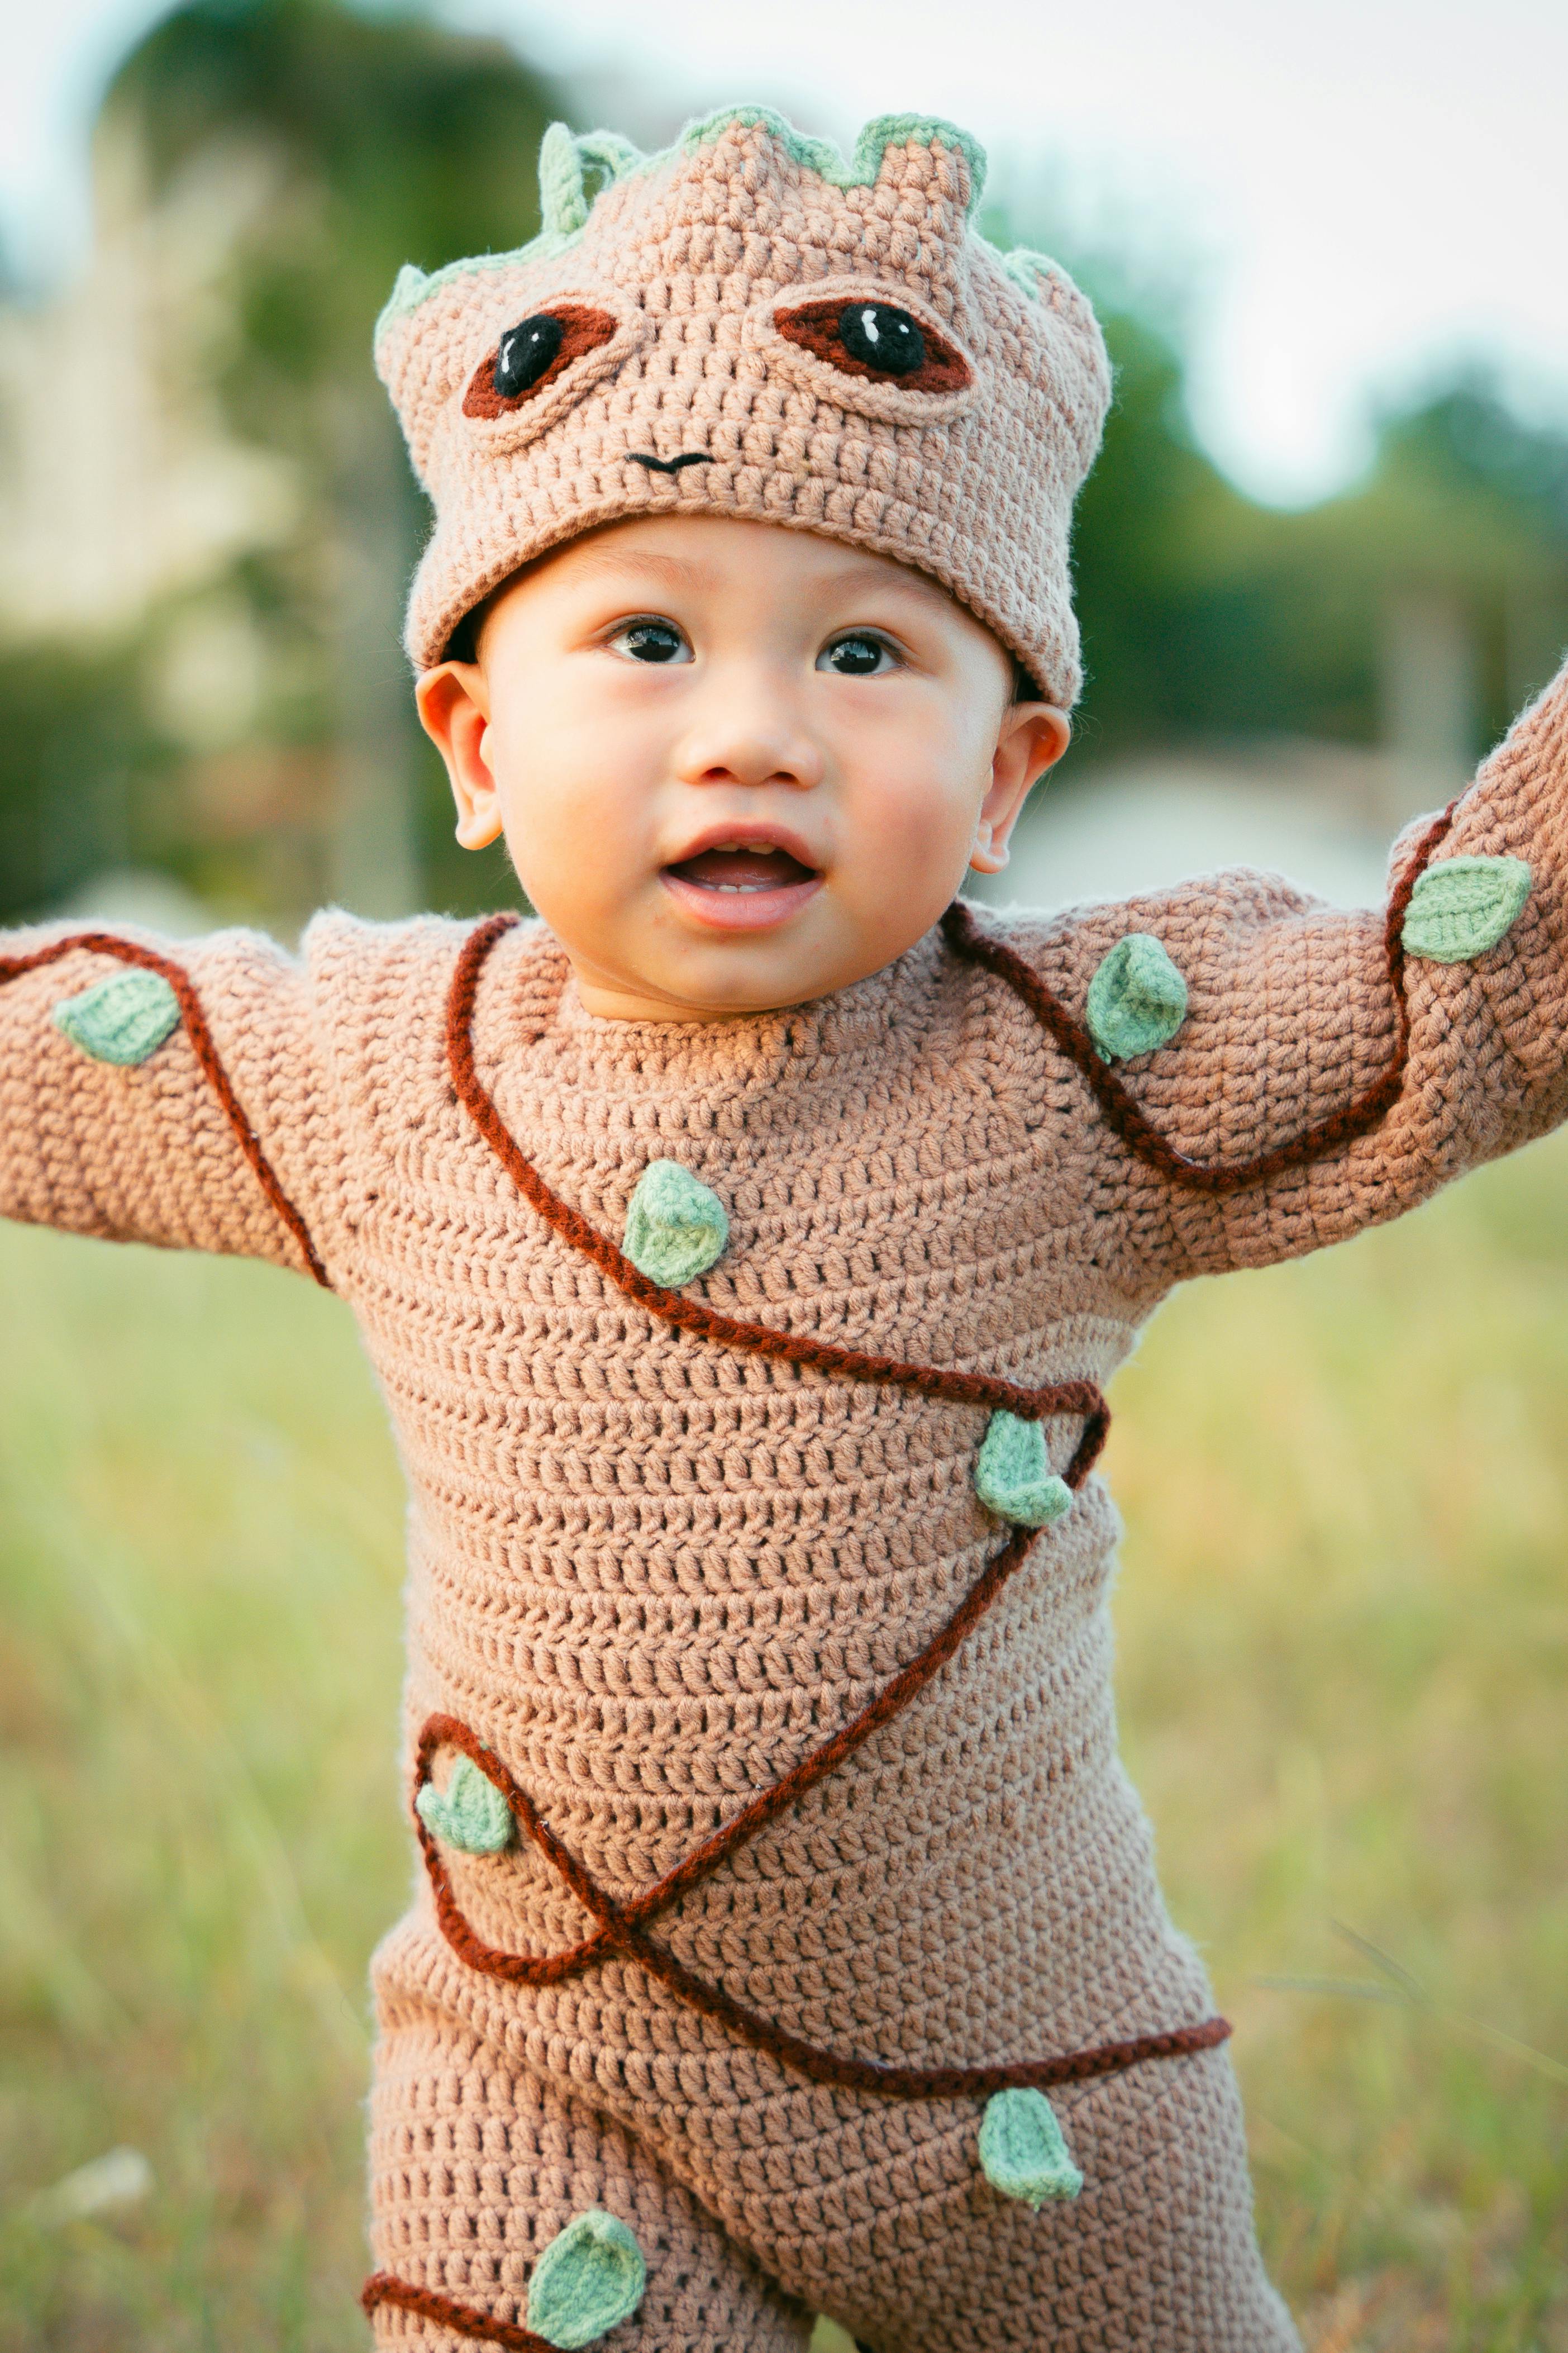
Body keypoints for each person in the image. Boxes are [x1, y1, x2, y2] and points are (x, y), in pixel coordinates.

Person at [2, 104, 1564, 2353]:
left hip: (1025, 2091)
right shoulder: (375, 1071)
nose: (752, 735)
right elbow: (68, 1050)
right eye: (643, 636)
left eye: (863, 659)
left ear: (1009, 775)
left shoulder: (1075, 1062)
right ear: (468, 738)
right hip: (542, 2084)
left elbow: (1463, 992)